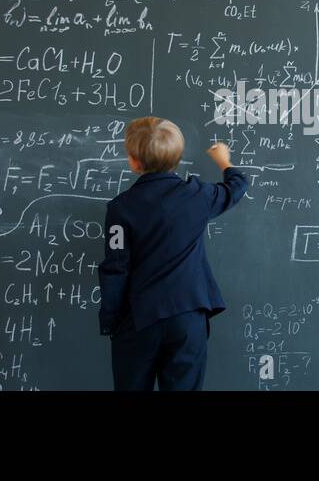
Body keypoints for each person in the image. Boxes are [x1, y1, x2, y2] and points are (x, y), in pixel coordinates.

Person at [98, 116, 249, 390]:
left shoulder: (120, 208)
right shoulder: (197, 195)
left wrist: (111, 321)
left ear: (133, 161)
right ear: (177, 157)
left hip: (138, 319)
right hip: (187, 317)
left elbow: (116, 267)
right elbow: (237, 187)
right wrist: (224, 161)